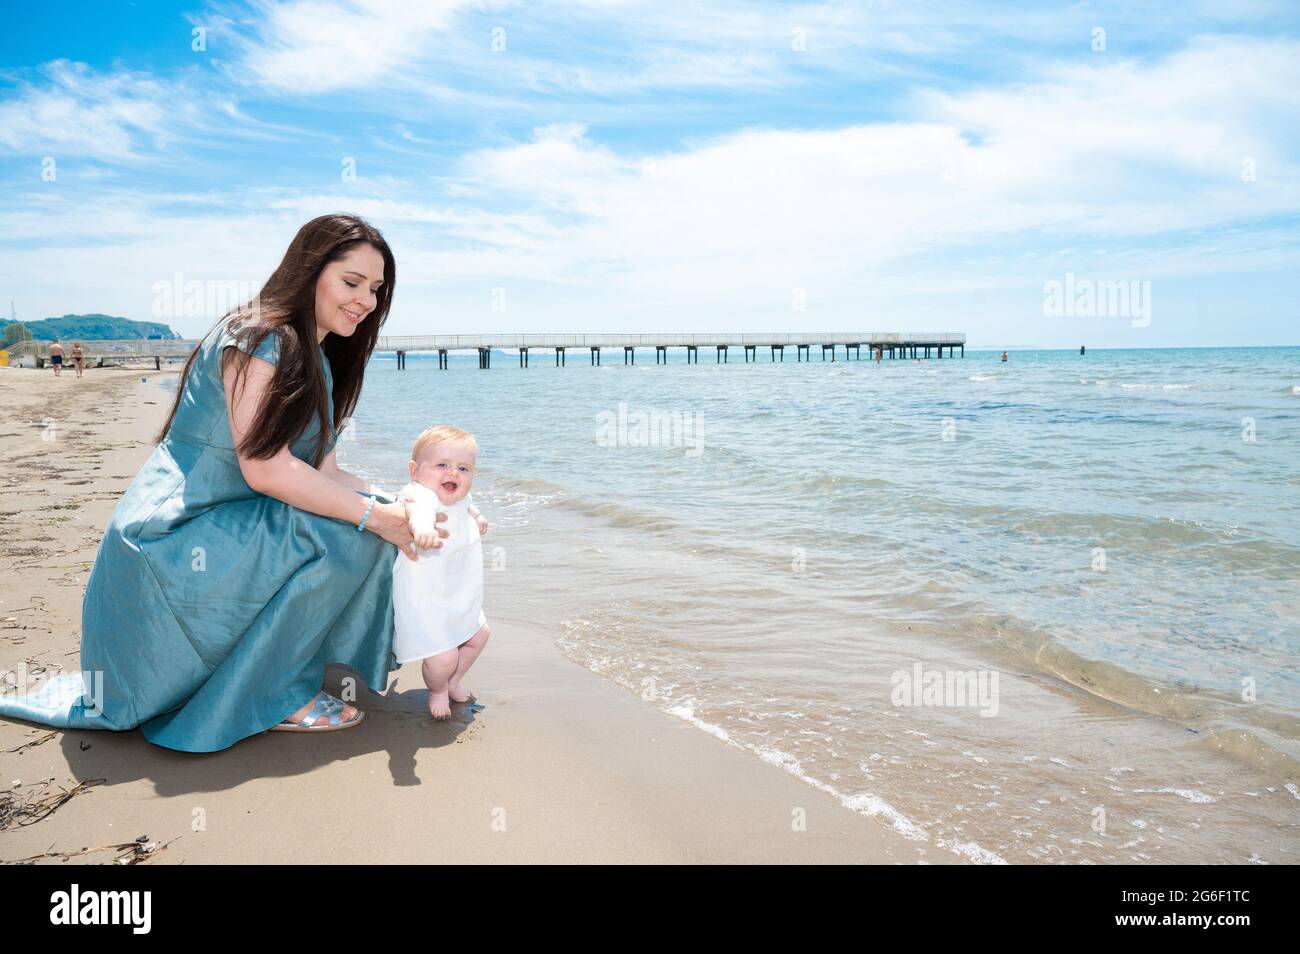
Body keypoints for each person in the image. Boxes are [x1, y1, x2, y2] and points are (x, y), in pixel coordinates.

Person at [0, 213, 440, 752]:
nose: (366, 301)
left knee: (368, 522)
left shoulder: (317, 358)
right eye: (352, 282)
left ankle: (275, 663)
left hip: (230, 520)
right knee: (351, 534)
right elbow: (267, 467)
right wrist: (375, 518)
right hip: (171, 537)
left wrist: (408, 503)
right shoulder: (259, 337)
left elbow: (323, 471)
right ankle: (275, 689)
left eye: (376, 289)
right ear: (308, 271)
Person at [392, 425, 491, 720]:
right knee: (443, 656)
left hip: (456, 592)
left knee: (479, 635)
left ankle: (453, 681)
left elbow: (469, 507)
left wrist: (478, 516)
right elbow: (418, 511)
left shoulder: (461, 499)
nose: (454, 473)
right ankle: (437, 690)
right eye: (442, 465)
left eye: (464, 468)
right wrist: (423, 529)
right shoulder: (420, 494)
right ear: (414, 470)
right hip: (425, 597)